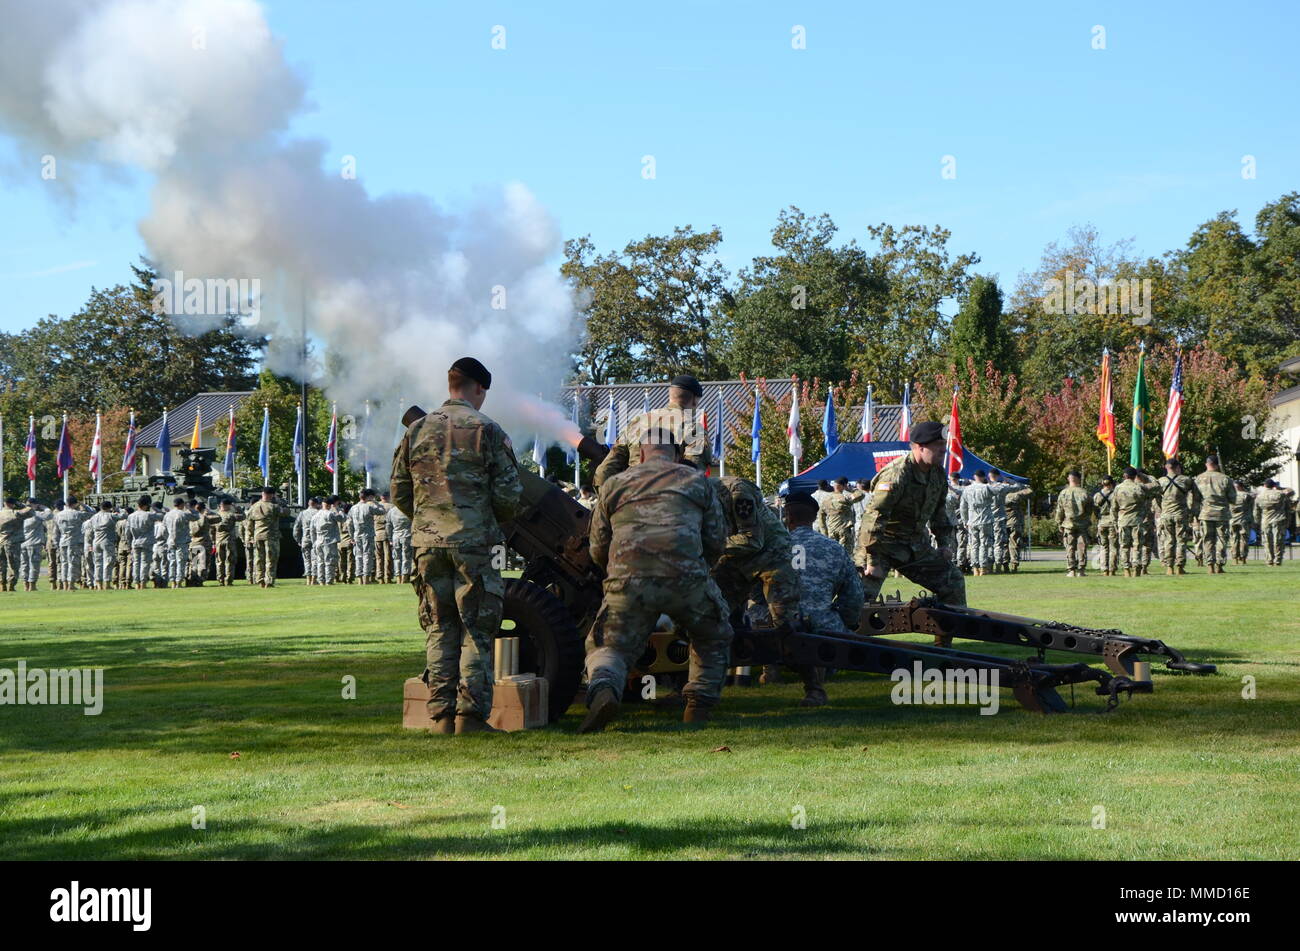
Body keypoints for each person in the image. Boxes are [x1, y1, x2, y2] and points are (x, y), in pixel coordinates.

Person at [390, 357, 522, 735]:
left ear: (451, 385)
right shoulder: (488, 429)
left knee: (440, 626)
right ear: (478, 389)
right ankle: (470, 716)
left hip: (427, 544)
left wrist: (429, 518)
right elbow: (509, 494)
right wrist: (484, 517)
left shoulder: (417, 429)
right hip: (474, 542)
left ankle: (441, 717)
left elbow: (399, 490)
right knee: (476, 630)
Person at [581, 427, 732, 733]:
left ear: (641, 452)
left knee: (607, 645)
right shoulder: (697, 483)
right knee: (712, 635)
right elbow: (717, 541)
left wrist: (616, 573)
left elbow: (597, 546)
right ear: (677, 454)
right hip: (686, 580)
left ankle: (605, 689)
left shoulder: (614, 485)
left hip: (628, 581)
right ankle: (697, 706)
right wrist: (699, 569)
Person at [711, 475, 819, 705]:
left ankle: (814, 689)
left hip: (772, 557)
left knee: (786, 625)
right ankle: (697, 692)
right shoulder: (688, 497)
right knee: (709, 618)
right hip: (735, 561)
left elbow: (752, 540)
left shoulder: (735, 491)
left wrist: (707, 547)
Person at [854, 422, 966, 646]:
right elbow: (873, 518)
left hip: (914, 546)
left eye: (944, 446)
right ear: (918, 447)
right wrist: (872, 560)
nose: (943, 451)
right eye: (938, 447)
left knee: (953, 581)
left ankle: (943, 648)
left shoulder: (937, 474)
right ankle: (843, 651)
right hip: (880, 545)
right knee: (857, 601)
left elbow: (939, 514)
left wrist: (945, 545)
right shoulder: (896, 474)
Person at [592, 374, 712, 489]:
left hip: (630, 496)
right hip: (669, 502)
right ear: (695, 401)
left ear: (670, 396)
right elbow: (694, 475)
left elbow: (605, 470)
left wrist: (607, 499)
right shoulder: (693, 429)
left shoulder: (636, 422)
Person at [783, 491, 864, 634]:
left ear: (788, 517)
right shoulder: (834, 548)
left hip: (779, 629)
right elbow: (854, 598)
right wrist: (847, 621)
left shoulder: (774, 547)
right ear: (814, 518)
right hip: (826, 632)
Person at [1155, 458, 1202, 575]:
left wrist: (1161, 509)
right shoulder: (1186, 480)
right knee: (1181, 540)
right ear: (1177, 467)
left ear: (1166, 467)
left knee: (1168, 540)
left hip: (1166, 515)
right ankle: (1180, 567)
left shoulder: (1160, 481)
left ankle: (1169, 567)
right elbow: (1196, 496)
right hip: (1181, 514)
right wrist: (1193, 512)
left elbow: (1155, 498)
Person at [1112, 467, 1160, 576]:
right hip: (1137, 520)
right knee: (1137, 546)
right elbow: (1156, 486)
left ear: (1124, 476)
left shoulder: (1118, 488)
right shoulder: (1139, 487)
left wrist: (1115, 522)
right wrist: (1145, 476)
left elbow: (1114, 508)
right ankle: (1136, 568)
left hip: (1123, 521)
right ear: (1135, 476)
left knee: (1124, 546)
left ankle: (1126, 569)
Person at [1195, 455, 1237, 574]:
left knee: (1207, 539)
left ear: (1206, 464)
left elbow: (1195, 499)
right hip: (1221, 514)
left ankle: (1209, 565)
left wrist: (1194, 514)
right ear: (1217, 464)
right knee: (1221, 540)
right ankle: (1219, 565)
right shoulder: (1225, 478)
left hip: (1205, 513)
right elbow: (1233, 499)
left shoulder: (1198, 479)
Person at [1054, 471, 1094, 577]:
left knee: (1070, 547)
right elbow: (1089, 510)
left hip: (1068, 524)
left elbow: (1059, 510)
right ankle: (1081, 570)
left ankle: (1071, 570)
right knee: (1082, 547)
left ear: (1069, 479)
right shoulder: (1085, 493)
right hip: (1082, 524)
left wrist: (1059, 522)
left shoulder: (1063, 493)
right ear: (1079, 479)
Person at [246, 487, 288, 588]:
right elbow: (286, 513)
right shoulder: (273, 507)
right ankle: (269, 580)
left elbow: (249, 524)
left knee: (259, 559)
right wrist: (280, 503)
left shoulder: (254, 506)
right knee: (271, 559)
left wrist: (249, 537)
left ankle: (260, 579)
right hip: (270, 536)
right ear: (272, 495)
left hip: (257, 536)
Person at [959, 470, 996, 576]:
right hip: (985, 520)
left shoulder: (967, 489)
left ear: (974, 476)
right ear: (984, 477)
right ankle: (983, 567)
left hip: (972, 521)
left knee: (974, 545)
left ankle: (975, 568)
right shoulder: (987, 488)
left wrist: (965, 520)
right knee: (984, 544)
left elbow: (963, 507)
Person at [85, 502, 127, 590]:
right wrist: (119, 509)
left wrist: (89, 543)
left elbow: (89, 532)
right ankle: (107, 583)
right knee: (108, 562)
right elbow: (124, 516)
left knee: (97, 563)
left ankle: (98, 584)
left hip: (96, 541)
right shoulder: (110, 515)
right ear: (109, 508)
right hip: (107, 541)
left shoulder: (94, 517)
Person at [160, 497, 200, 588]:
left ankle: (173, 581)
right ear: (182, 504)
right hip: (182, 541)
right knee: (181, 561)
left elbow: (163, 530)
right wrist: (190, 508)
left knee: (172, 562)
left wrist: (168, 538)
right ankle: (179, 582)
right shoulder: (184, 514)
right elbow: (197, 516)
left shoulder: (167, 515)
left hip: (170, 541)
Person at [820, 477, 864, 557]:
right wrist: (850, 489)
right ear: (842, 486)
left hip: (831, 530)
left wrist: (824, 532)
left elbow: (821, 516)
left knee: (833, 553)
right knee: (845, 554)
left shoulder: (825, 499)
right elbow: (861, 495)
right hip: (844, 530)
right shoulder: (845, 498)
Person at [126, 495, 163, 590]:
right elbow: (162, 515)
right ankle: (143, 582)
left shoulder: (130, 516)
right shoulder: (148, 515)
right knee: (145, 563)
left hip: (135, 541)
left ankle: (136, 583)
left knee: (136, 563)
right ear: (146, 505)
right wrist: (155, 508)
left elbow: (128, 532)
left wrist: (129, 544)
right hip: (147, 542)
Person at [0, 498, 36, 591]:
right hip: (12, 542)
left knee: (1, 565)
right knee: (14, 565)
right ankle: (11, 585)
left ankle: (2, 585)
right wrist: (20, 504)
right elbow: (31, 511)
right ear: (13, 504)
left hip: (0, 541)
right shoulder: (16, 513)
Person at [19, 498, 54, 592]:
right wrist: (43, 507)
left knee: (24, 565)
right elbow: (49, 515)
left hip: (22, 543)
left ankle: (25, 585)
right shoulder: (35, 514)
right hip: (34, 543)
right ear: (34, 504)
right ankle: (32, 585)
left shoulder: (20, 514)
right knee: (34, 565)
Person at [349, 489, 383, 584]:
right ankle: (366, 579)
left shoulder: (353, 508)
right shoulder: (369, 507)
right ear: (368, 497)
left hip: (357, 535)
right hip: (368, 535)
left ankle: (359, 579)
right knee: (367, 556)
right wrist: (376, 502)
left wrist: (351, 536)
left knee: (358, 557)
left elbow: (349, 524)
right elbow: (382, 511)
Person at [312, 496, 347, 585]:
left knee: (320, 562)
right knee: (330, 561)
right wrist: (339, 509)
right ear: (330, 505)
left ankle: (321, 580)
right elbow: (342, 518)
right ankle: (329, 580)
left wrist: (314, 542)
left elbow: (312, 530)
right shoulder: (330, 514)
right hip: (329, 541)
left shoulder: (315, 515)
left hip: (318, 540)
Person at [1254, 480, 1289, 566]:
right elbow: (1291, 492)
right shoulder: (1280, 494)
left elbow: (1256, 511)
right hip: (1278, 519)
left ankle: (1269, 560)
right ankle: (1277, 560)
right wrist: (1280, 488)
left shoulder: (1259, 496)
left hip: (1265, 520)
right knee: (1278, 540)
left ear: (1264, 485)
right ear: (1274, 485)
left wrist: (1257, 522)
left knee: (1267, 541)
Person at [212, 499, 246, 586]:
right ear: (228, 505)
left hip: (218, 541)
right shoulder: (231, 515)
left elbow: (211, 530)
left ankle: (220, 580)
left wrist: (213, 541)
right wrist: (237, 508)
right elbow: (243, 516)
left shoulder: (215, 515)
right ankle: (228, 580)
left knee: (219, 561)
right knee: (230, 561)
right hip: (229, 541)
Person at [1092, 476, 1120, 575]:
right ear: (1112, 483)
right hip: (1113, 522)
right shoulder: (1115, 494)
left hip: (1102, 522)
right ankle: (1112, 569)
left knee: (1103, 546)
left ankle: (1104, 569)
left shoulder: (1097, 495)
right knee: (1113, 547)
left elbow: (1094, 510)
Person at [1004, 482, 1033, 572]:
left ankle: (1005, 565)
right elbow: (1028, 492)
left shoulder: (999, 495)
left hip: (1003, 523)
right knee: (1014, 544)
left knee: (1004, 545)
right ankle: (1014, 565)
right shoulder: (1009, 496)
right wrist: (1023, 486)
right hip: (1014, 523)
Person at [293, 500, 320, 585]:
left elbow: (296, 528)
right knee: (315, 559)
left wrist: (298, 540)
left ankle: (308, 579)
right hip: (316, 539)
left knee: (307, 560)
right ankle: (314, 579)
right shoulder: (318, 513)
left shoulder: (302, 513)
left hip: (305, 539)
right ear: (316, 504)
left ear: (308, 503)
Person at [1228, 480, 1255, 565]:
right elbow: (1251, 509)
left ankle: (1234, 559)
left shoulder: (1229, 496)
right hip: (1244, 520)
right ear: (1241, 486)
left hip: (1232, 520)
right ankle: (1243, 558)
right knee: (1244, 539)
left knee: (1233, 539)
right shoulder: (1247, 496)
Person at [386, 500, 413, 584]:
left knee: (396, 558)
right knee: (406, 557)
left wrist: (390, 538)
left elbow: (388, 526)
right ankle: (404, 578)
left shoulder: (391, 511)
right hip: (407, 535)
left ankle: (398, 578)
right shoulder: (409, 510)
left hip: (395, 536)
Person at [375, 493, 393, 583]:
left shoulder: (375, 506)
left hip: (376, 534)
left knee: (378, 557)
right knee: (388, 557)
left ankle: (380, 577)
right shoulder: (391, 507)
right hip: (387, 534)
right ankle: (387, 577)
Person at [338, 505, 355, 584]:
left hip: (340, 542)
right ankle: (349, 577)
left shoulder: (339, 520)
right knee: (350, 561)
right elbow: (351, 530)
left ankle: (342, 576)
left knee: (341, 561)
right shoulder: (349, 519)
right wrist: (352, 539)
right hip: (349, 541)